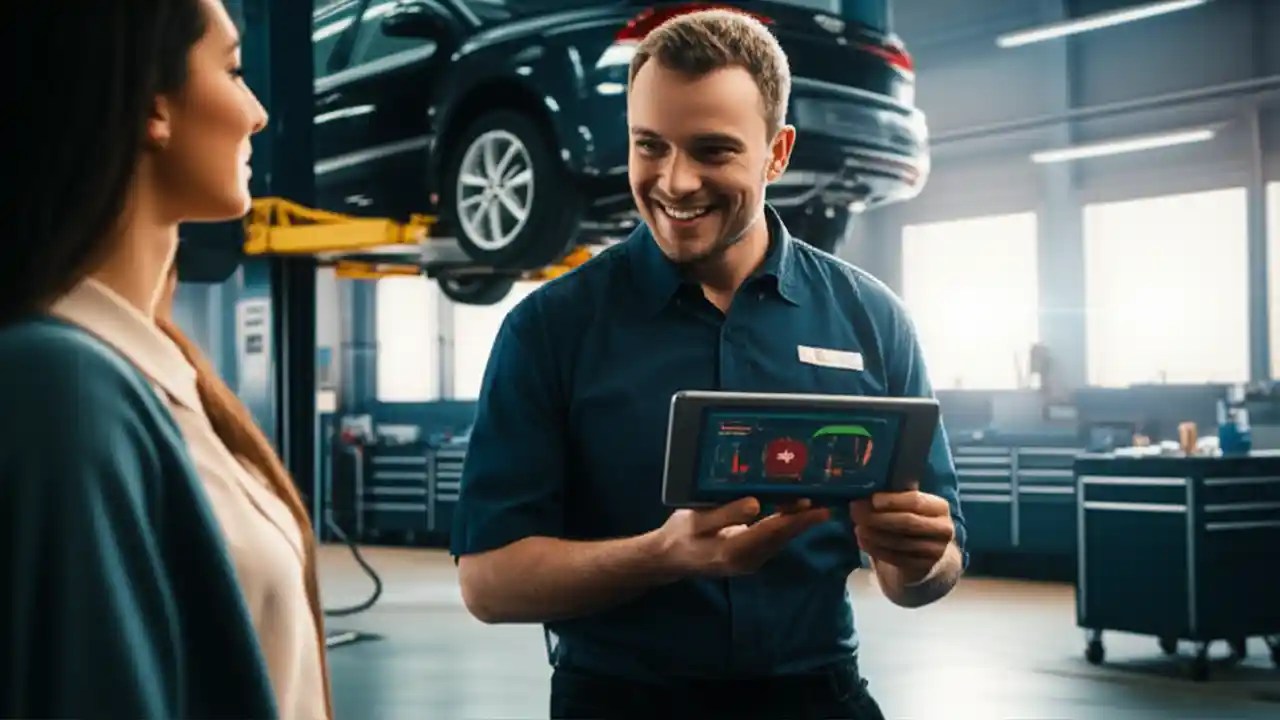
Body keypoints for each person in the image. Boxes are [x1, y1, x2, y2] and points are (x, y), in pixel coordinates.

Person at [451, 9, 967, 720]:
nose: (676, 181)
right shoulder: (549, 330)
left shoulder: (872, 321)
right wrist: (663, 555)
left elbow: (930, 571)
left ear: (776, 153)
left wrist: (919, 561)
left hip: (818, 696)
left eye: (713, 151)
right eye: (650, 146)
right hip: (619, 704)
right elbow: (488, 584)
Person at [0, 1, 331, 718]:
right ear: (154, 105)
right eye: (233, 71)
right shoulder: (63, 388)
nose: (257, 114)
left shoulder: (152, 369)